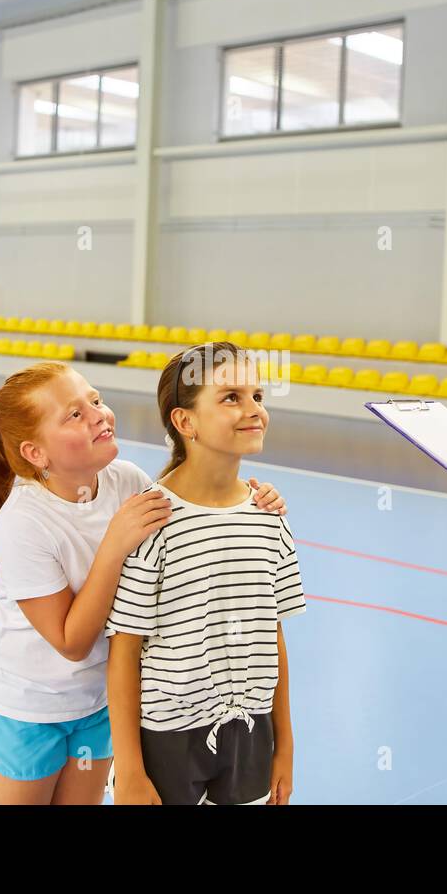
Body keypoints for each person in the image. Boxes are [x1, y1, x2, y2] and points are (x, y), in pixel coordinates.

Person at [0, 361, 286, 804]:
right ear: (36, 453)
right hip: (27, 710)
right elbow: (71, 641)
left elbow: (188, 511)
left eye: (94, 400)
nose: (98, 414)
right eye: (74, 414)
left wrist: (252, 498)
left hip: (96, 704)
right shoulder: (23, 524)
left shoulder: (127, 480)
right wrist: (113, 544)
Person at [107, 342, 306, 805]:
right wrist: (130, 771)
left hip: (251, 736)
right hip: (167, 739)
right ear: (185, 422)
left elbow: (272, 638)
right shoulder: (152, 520)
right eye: (230, 397)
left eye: (258, 396)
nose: (253, 409)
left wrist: (285, 746)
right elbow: (124, 653)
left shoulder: (268, 515)